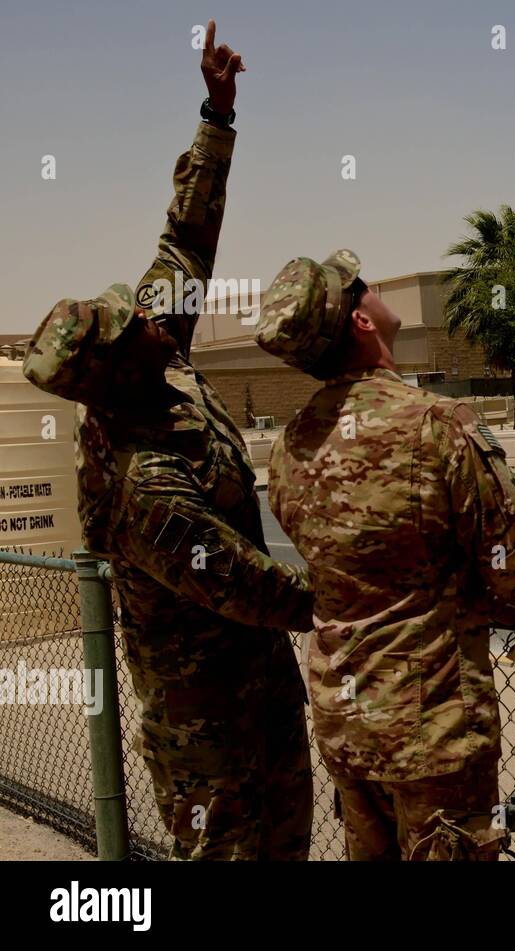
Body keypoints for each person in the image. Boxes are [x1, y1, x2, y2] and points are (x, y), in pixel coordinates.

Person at [255, 251, 515, 860]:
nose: (376, 292)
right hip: (431, 730)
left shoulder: (292, 443)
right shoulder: (435, 424)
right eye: (365, 287)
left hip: (346, 724)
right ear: (361, 322)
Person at [22, 21, 313, 860]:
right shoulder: (141, 483)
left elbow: (182, 240)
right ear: (113, 374)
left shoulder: (156, 359)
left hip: (259, 692)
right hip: (206, 735)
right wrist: (352, 596)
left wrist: (215, 117)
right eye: (135, 325)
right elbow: (249, 585)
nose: (154, 316)